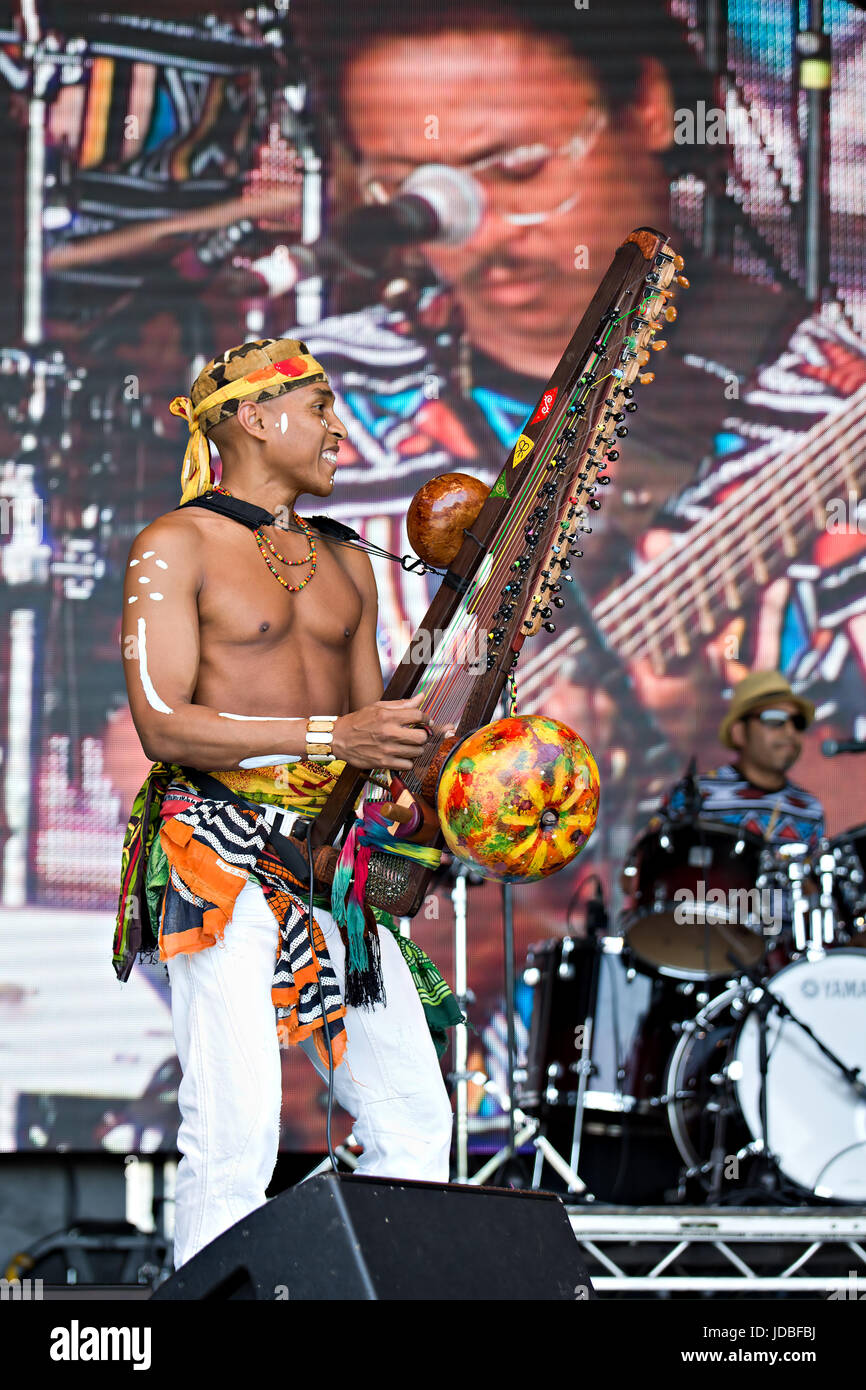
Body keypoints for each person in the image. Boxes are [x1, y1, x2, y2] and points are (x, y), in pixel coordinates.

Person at [114, 336, 458, 1270]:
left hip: (329, 866)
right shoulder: (174, 544)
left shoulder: (348, 561)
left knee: (416, 1123)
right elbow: (163, 726)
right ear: (255, 419)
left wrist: (443, 791)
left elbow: (369, 737)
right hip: (216, 852)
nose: (339, 431)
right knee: (235, 1135)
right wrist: (329, 740)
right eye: (320, 409)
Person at [661, 670, 824, 851]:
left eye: (798, 722)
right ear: (739, 732)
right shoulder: (693, 795)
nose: (790, 731)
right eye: (775, 720)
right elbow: (646, 866)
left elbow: (810, 876)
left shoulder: (810, 809)